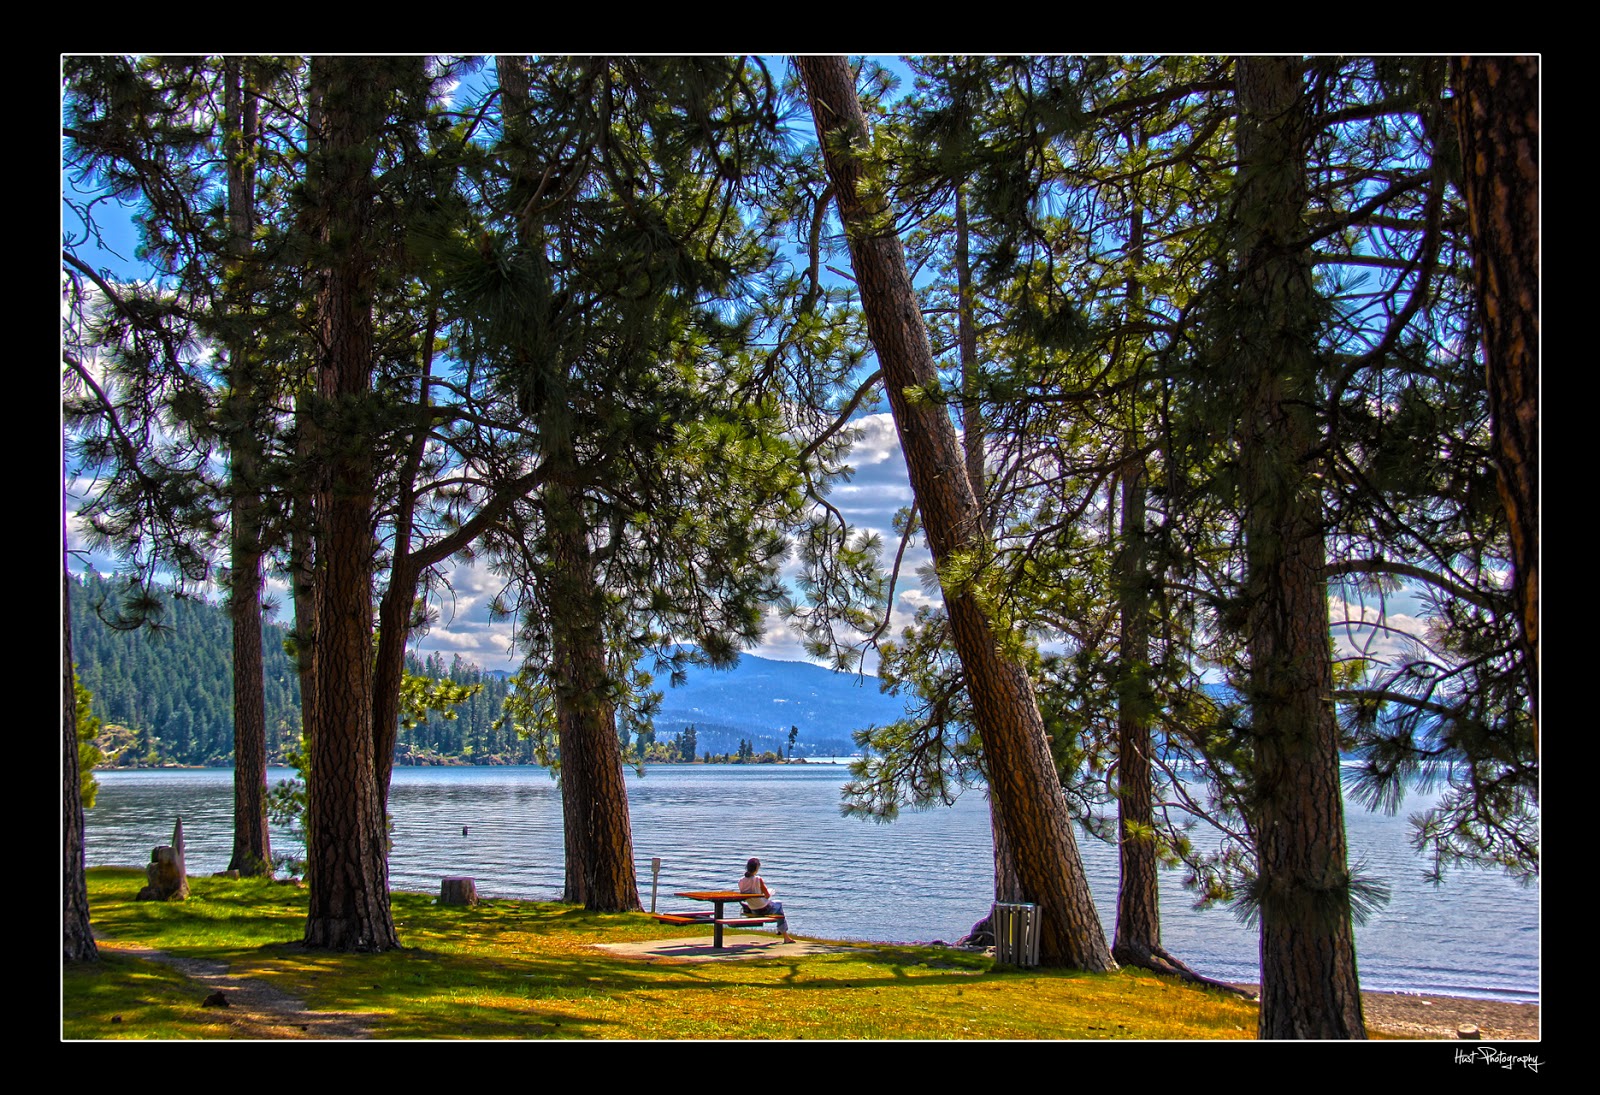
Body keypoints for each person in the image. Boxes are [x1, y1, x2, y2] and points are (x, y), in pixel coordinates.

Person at [738, 857, 795, 944]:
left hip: (753, 910)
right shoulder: (758, 879)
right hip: (764, 908)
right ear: (757, 868)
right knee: (779, 905)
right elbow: (767, 896)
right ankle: (784, 935)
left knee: (777, 907)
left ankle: (781, 930)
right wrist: (769, 893)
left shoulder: (741, 881)